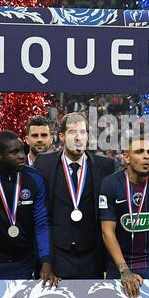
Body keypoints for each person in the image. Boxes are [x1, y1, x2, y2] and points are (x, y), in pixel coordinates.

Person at [30, 112, 117, 280]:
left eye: (83, 132)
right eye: (72, 132)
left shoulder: (105, 166)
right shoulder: (44, 163)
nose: (78, 137)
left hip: (91, 256)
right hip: (57, 255)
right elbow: (21, 173)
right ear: (62, 136)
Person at [99, 134, 149, 297]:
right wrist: (124, 270)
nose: (146, 156)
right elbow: (107, 232)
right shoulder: (110, 184)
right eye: (139, 152)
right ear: (126, 157)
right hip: (119, 265)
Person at [0, 131, 53, 288]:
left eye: (22, 150)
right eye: (14, 152)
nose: (22, 156)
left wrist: (46, 262)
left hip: (25, 261)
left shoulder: (35, 178)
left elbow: (42, 224)